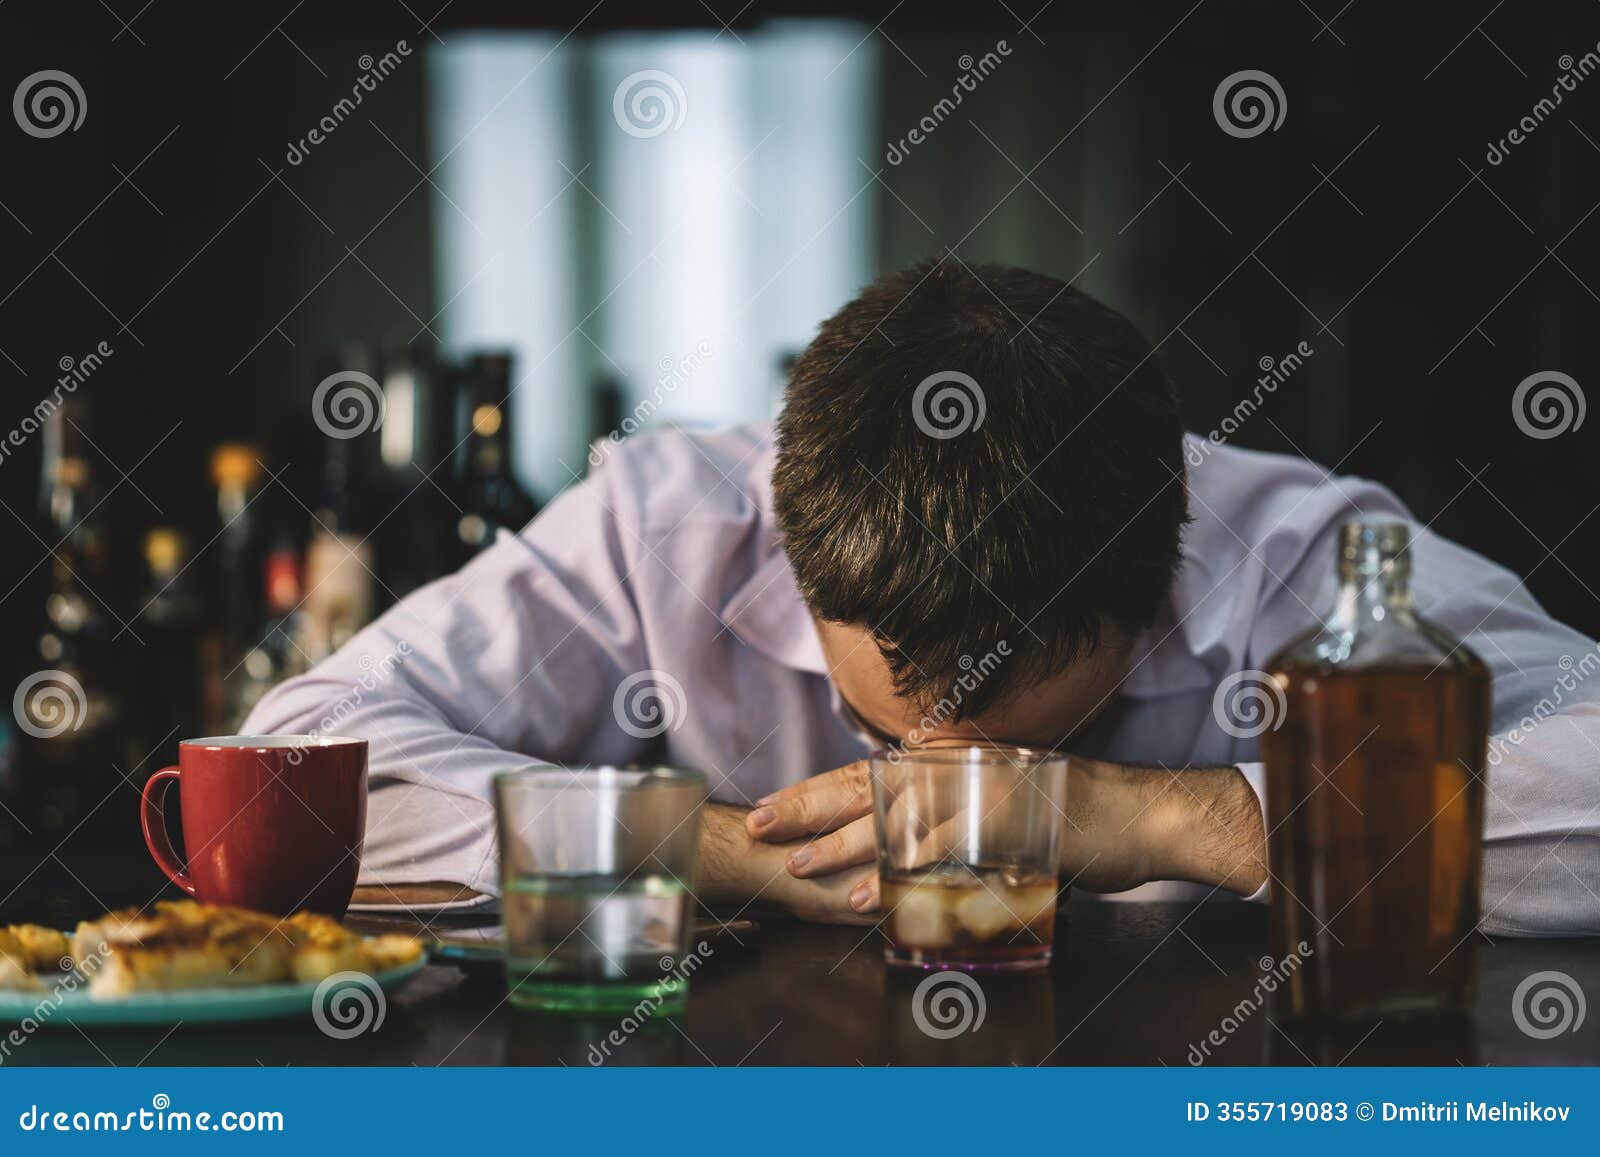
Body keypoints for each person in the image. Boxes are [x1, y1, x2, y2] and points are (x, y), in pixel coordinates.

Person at [244, 260, 1600, 934]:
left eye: (1021, 745)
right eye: (895, 738)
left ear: (1156, 577)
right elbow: (285, 765)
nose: (939, 805)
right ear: (788, 544)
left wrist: (1184, 818)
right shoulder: (671, 523)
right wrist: (715, 847)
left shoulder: (1296, 553)